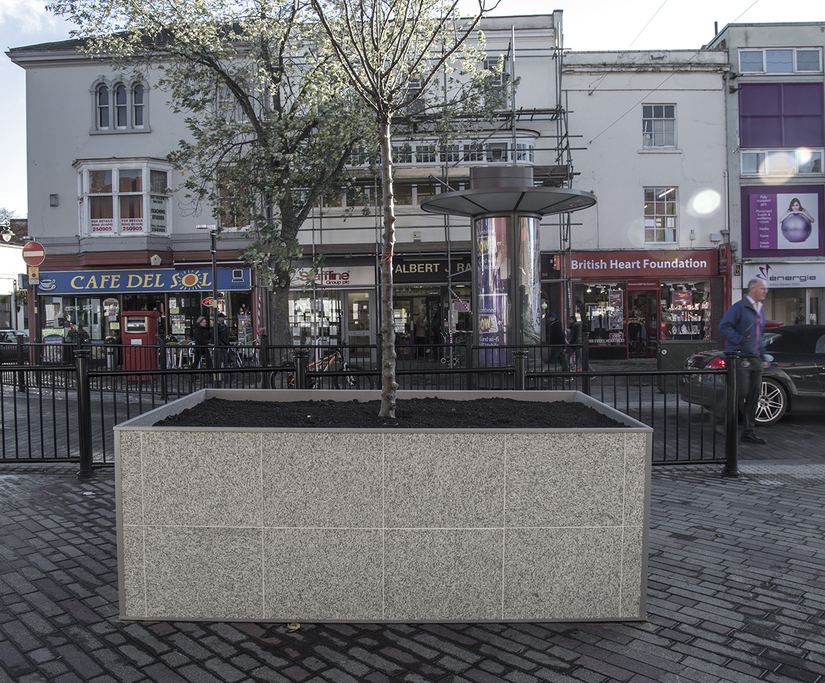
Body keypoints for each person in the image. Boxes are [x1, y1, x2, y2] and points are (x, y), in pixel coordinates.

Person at [719, 278, 769, 444]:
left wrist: (763, 356)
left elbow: (760, 335)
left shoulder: (760, 309)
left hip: (755, 358)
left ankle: (748, 431)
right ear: (753, 289)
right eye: (762, 289)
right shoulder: (739, 307)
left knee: (754, 395)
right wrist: (741, 341)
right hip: (740, 357)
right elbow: (724, 327)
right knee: (741, 393)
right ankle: (723, 422)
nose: (765, 291)